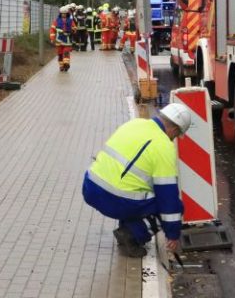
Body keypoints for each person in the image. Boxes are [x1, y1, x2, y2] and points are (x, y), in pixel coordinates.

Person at [82, 103, 192, 257]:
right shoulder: (164, 147)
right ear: (174, 129)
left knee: (134, 188)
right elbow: (168, 200)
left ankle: (125, 228)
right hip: (114, 198)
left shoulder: (135, 124)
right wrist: (172, 234)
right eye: (176, 135)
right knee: (173, 205)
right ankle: (130, 235)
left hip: (91, 186)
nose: (174, 139)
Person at [53, 6, 75, 71]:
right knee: (60, 54)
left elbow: (74, 28)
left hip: (67, 40)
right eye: (62, 13)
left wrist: (72, 30)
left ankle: (66, 64)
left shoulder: (71, 21)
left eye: (65, 13)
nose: (64, 15)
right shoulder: (56, 21)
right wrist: (52, 38)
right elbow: (52, 29)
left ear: (67, 14)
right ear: (60, 14)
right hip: (59, 40)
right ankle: (61, 66)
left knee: (66, 52)